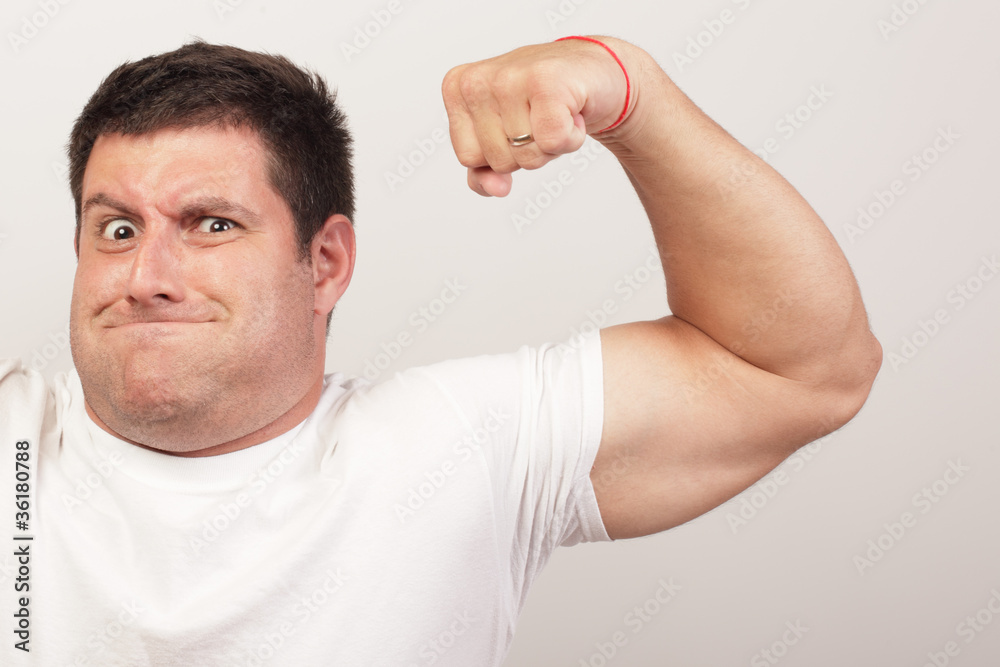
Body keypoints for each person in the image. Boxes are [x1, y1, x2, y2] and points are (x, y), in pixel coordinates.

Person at [1, 34, 881, 666]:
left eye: (212, 224)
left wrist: (635, 97)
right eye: (115, 228)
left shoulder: (457, 446)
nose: (145, 274)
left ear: (325, 262)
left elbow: (801, 368)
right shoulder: (14, 441)